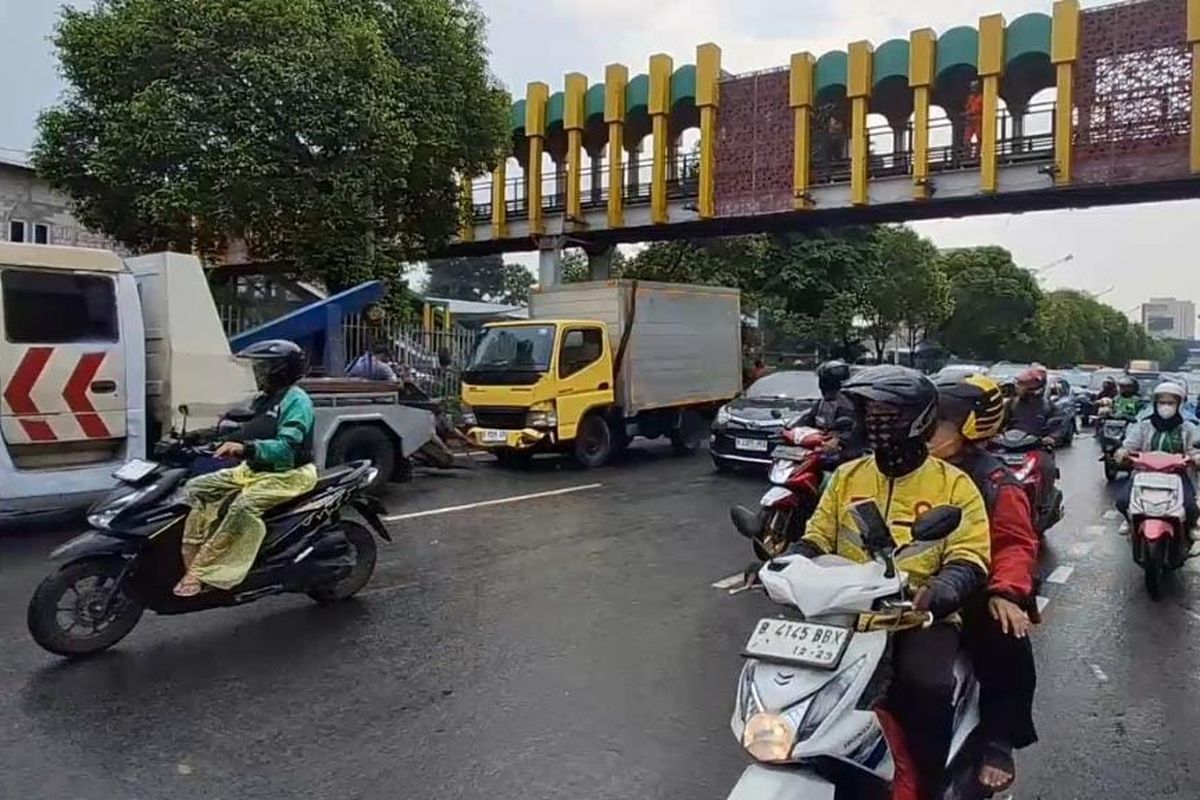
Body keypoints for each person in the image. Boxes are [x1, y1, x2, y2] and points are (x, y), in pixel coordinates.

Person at [792, 365, 991, 800]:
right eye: (871, 410)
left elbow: (970, 555)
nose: (877, 419)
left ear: (919, 418)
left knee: (925, 687)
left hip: (916, 617)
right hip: (844, 613)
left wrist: (940, 591)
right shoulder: (847, 476)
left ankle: (929, 783)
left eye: (889, 411)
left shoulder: (953, 484)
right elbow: (817, 535)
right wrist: (790, 562)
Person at [930, 372, 1039, 794]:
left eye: (937, 423)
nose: (925, 432)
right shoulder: (910, 469)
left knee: (1006, 635)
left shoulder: (995, 482)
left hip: (971, 589)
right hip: (906, 586)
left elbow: (1015, 543)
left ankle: (999, 735)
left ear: (972, 426)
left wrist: (1005, 592)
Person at [173, 339, 318, 597]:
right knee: (195, 488)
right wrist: (198, 437)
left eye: (263, 368)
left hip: (288, 475)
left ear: (281, 370)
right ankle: (192, 555)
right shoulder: (263, 400)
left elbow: (287, 448)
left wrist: (246, 448)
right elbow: (241, 430)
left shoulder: (298, 401)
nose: (257, 373)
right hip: (253, 471)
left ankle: (208, 571)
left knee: (242, 506)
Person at [1115, 381, 1200, 530]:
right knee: (1122, 501)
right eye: (1162, 402)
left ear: (1179, 405)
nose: (1165, 406)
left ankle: (1190, 529)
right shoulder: (1144, 426)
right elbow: (1129, 445)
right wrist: (1122, 452)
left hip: (1178, 475)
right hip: (1145, 473)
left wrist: (1196, 458)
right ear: (1155, 404)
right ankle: (1131, 522)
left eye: (1170, 403)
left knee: (1191, 507)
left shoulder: (1187, 428)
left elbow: (1193, 450)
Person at [1005, 367, 1062, 518]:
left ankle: (1043, 502)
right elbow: (998, 425)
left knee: (1046, 466)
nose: (1018, 387)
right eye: (1019, 383)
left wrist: (1051, 438)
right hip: (1009, 448)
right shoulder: (1011, 404)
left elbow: (1057, 427)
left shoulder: (1049, 407)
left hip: (1036, 448)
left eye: (1023, 384)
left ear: (1034, 388)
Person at [798, 359, 866, 463]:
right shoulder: (823, 402)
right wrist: (794, 430)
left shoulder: (849, 402)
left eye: (824, 380)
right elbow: (809, 418)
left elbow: (855, 427)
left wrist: (839, 440)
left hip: (847, 453)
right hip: (823, 448)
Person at [965, 79, 984, 158]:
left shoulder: (981, 97)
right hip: (970, 120)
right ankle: (968, 154)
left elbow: (983, 109)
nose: (973, 89)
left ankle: (977, 154)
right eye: (972, 88)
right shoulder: (971, 98)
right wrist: (968, 113)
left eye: (974, 87)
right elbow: (967, 107)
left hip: (978, 120)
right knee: (966, 139)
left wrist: (973, 112)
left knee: (979, 137)